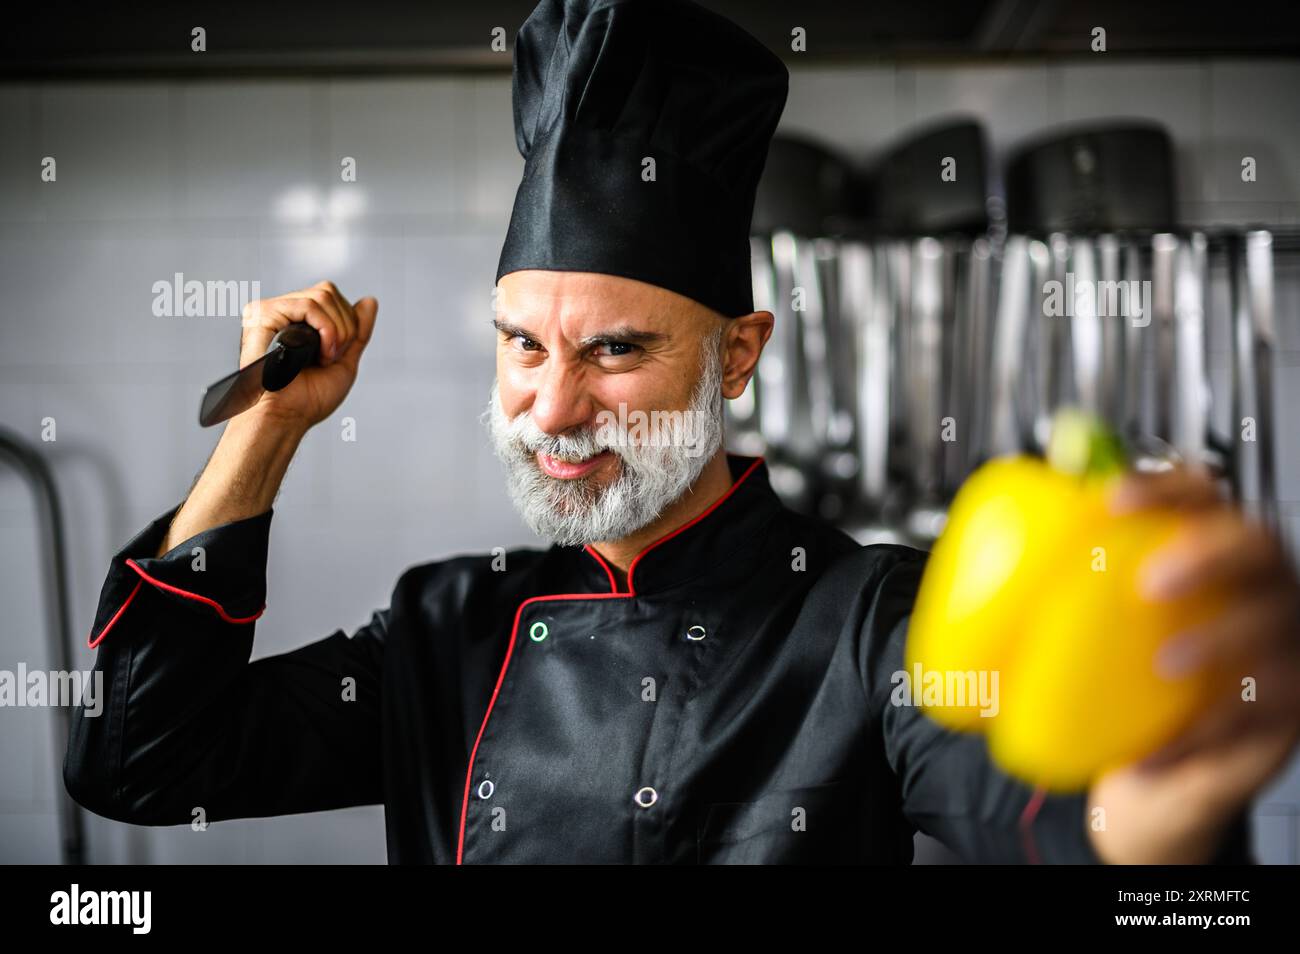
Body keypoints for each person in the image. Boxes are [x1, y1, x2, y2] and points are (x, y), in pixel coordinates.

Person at [64, 0, 1300, 864]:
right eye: (524, 346)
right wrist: (266, 431)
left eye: (614, 350)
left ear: (737, 356)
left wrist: (1164, 797)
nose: (551, 408)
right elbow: (146, 765)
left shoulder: (869, 620)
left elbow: (1055, 822)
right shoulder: (445, 633)